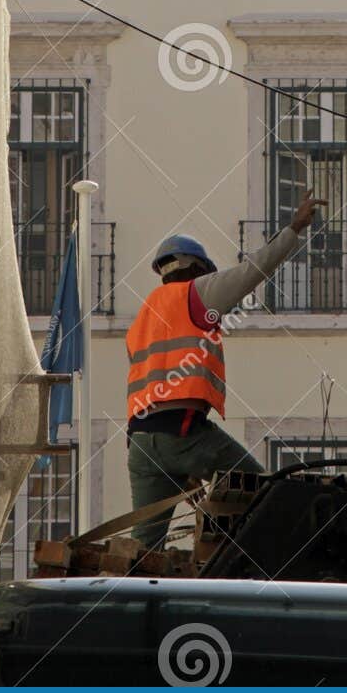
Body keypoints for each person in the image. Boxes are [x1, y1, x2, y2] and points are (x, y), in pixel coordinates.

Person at [125, 192, 324, 553]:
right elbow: (253, 271)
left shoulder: (143, 318)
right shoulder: (199, 293)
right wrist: (294, 229)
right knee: (262, 490)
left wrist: (180, 472)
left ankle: (134, 601)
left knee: (144, 551)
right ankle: (273, 562)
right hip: (185, 432)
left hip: (141, 443)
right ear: (198, 268)